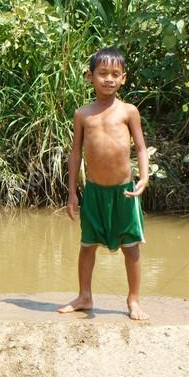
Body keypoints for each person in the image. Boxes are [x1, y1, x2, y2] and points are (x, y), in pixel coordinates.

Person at [57, 47, 149, 321]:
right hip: (94, 191)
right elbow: (75, 154)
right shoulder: (83, 114)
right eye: (103, 73)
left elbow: (141, 149)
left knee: (131, 246)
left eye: (115, 74)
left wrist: (144, 177)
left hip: (125, 192)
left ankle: (133, 299)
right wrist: (72, 193)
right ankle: (84, 295)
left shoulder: (129, 111)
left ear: (123, 78)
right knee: (87, 245)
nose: (108, 79)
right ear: (90, 76)